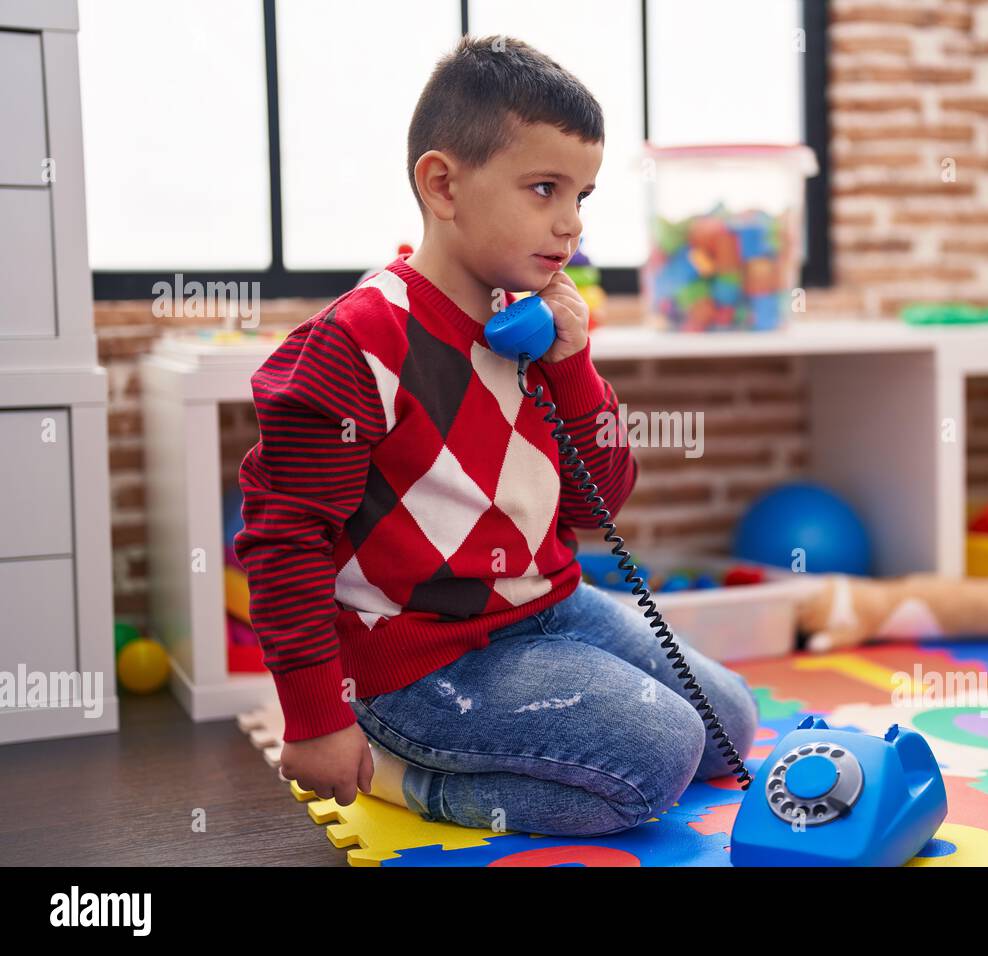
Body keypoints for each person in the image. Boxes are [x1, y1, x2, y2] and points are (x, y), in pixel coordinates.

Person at [234, 35, 757, 836]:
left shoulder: (531, 319)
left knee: (733, 723)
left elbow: (600, 502)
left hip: (549, 607)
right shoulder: (358, 343)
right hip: (425, 660)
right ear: (442, 185)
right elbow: (282, 538)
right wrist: (316, 717)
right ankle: (404, 778)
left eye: (582, 196)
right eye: (544, 189)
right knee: (659, 759)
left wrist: (573, 365)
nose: (570, 225)